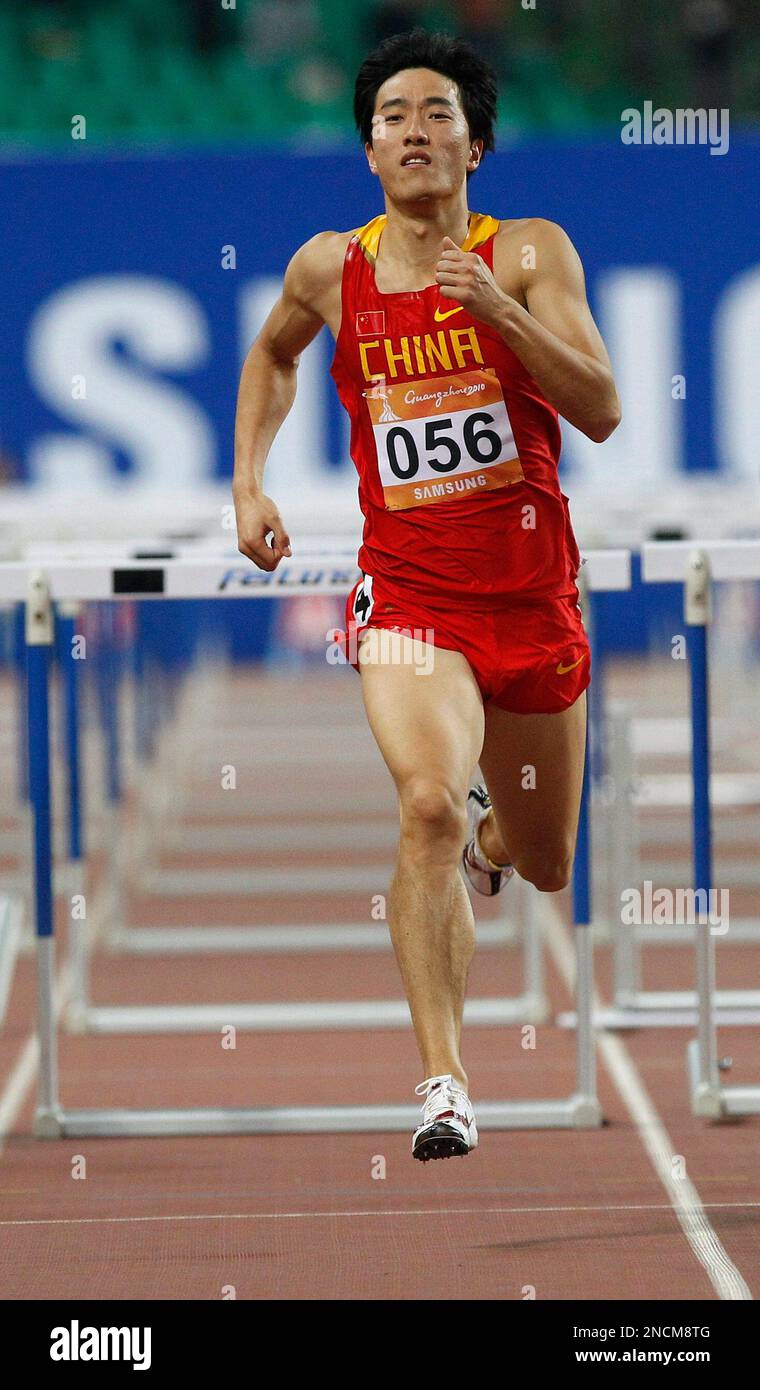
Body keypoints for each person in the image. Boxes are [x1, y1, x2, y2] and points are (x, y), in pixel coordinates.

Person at [233, 28, 621, 1162]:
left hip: (534, 601)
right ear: (367, 151)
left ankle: (496, 855)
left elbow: (599, 408)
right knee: (426, 805)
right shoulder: (327, 267)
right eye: (391, 115)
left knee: (543, 860)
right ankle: (444, 1079)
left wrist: (496, 314)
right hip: (410, 600)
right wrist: (249, 478)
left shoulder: (530, 256)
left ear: (476, 144)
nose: (413, 128)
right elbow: (272, 355)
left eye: (437, 113)